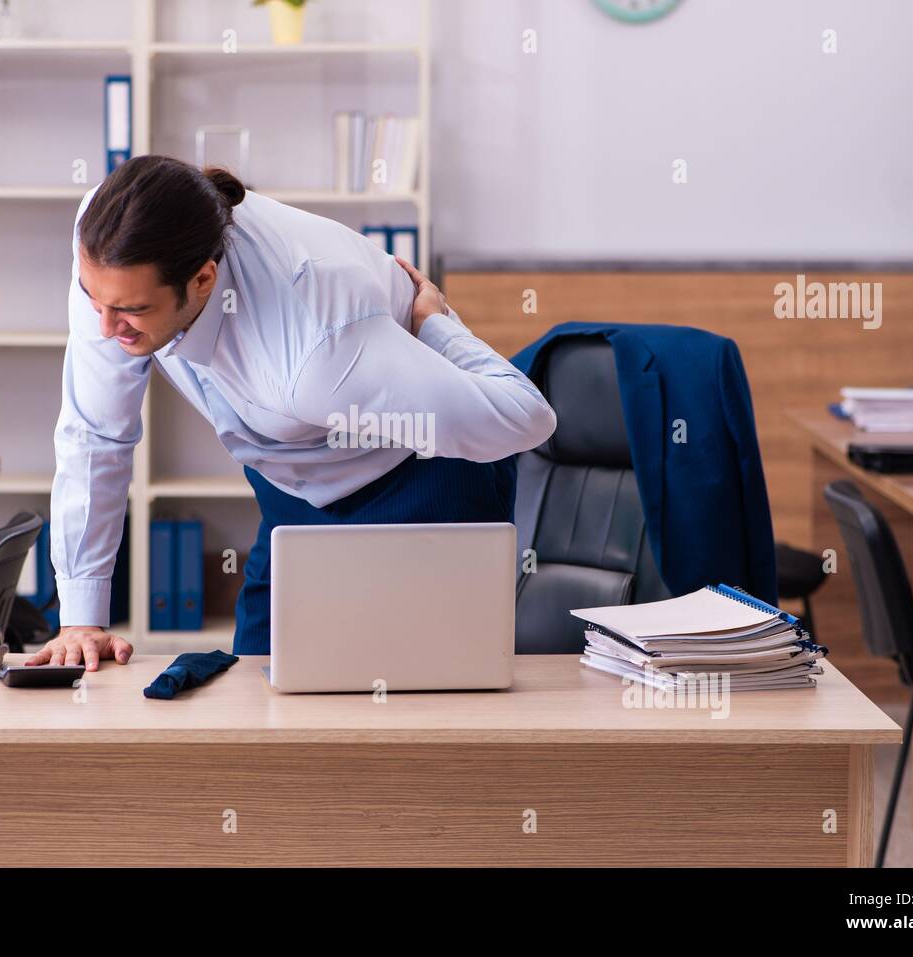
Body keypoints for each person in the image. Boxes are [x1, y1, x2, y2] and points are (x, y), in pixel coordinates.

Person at [29, 155, 556, 670]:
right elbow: (95, 431)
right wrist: (80, 618)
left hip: (420, 478)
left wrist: (436, 325)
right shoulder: (109, 244)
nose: (104, 327)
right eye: (92, 299)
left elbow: (526, 417)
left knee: (420, 706)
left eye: (131, 310)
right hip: (293, 484)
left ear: (203, 280)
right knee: (255, 686)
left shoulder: (312, 353)